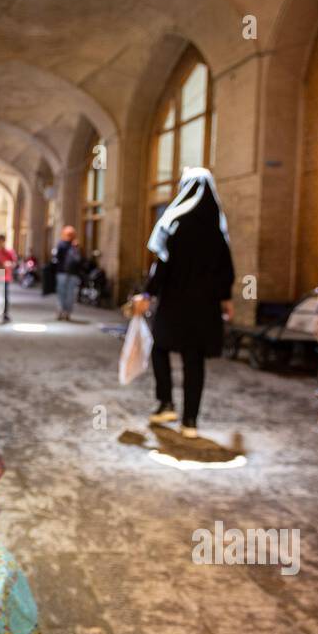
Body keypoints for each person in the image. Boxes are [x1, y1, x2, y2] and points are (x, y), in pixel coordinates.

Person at [136, 168, 234, 438]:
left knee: (160, 349)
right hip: (206, 306)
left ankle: (166, 402)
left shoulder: (175, 223)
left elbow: (162, 266)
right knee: (194, 359)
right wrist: (226, 299)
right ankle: (190, 421)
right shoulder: (216, 229)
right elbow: (227, 269)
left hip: (175, 303)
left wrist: (147, 294)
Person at [52, 225, 83, 320]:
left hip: (63, 272)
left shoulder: (61, 244)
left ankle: (62, 311)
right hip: (72, 273)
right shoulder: (75, 245)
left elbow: (57, 258)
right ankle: (66, 312)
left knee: (63, 293)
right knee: (70, 293)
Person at [0, 233, 17, 321]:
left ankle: (5, 314)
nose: (0, 243)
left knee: (5, 296)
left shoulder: (9, 252)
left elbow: (14, 263)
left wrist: (9, 264)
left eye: (2, 241)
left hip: (6, 276)